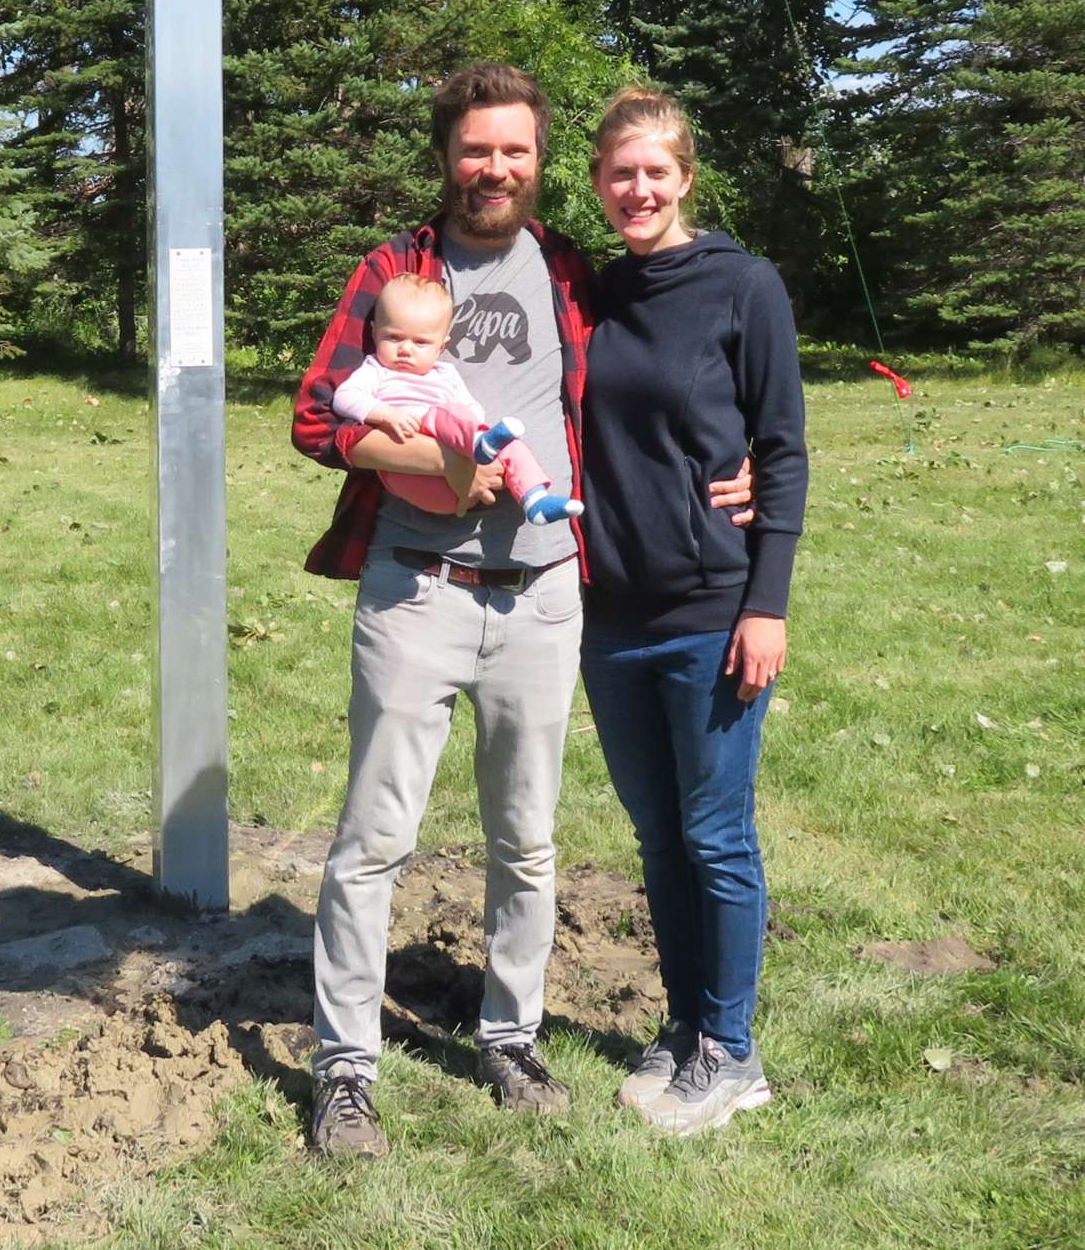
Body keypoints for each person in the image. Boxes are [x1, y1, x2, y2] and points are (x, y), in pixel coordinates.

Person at [291, 63, 752, 1160]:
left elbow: (668, 379)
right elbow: (319, 418)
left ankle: (511, 1036)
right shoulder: (393, 271)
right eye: (474, 149)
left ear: (540, 164)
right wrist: (441, 475)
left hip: (546, 599)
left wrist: (755, 472)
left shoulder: (570, 271)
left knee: (527, 840)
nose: (493, 169)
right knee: (373, 841)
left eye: (515, 151)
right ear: (445, 154)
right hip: (417, 591)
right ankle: (344, 1070)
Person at [578, 86, 808, 1138]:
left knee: (716, 834)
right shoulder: (594, 293)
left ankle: (733, 1049)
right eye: (619, 173)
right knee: (658, 837)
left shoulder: (742, 286)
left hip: (713, 608)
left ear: (685, 177)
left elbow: (784, 450)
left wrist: (765, 602)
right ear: (597, 182)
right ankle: (683, 1027)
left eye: (654, 172)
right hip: (608, 614)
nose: (637, 189)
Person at [331, 272, 582, 525]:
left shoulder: (445, 374)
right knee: (444, 414)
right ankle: (479, 444)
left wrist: (471, 433)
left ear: (441, 346)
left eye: (420, 342)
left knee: (512, 446)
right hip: (411, 475)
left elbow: (470, 408)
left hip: (462, 482)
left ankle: (535, 499)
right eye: (394, 337)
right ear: (374, 333)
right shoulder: (375, 369)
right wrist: (384, 413)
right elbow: (344, 397)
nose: (405, 349)